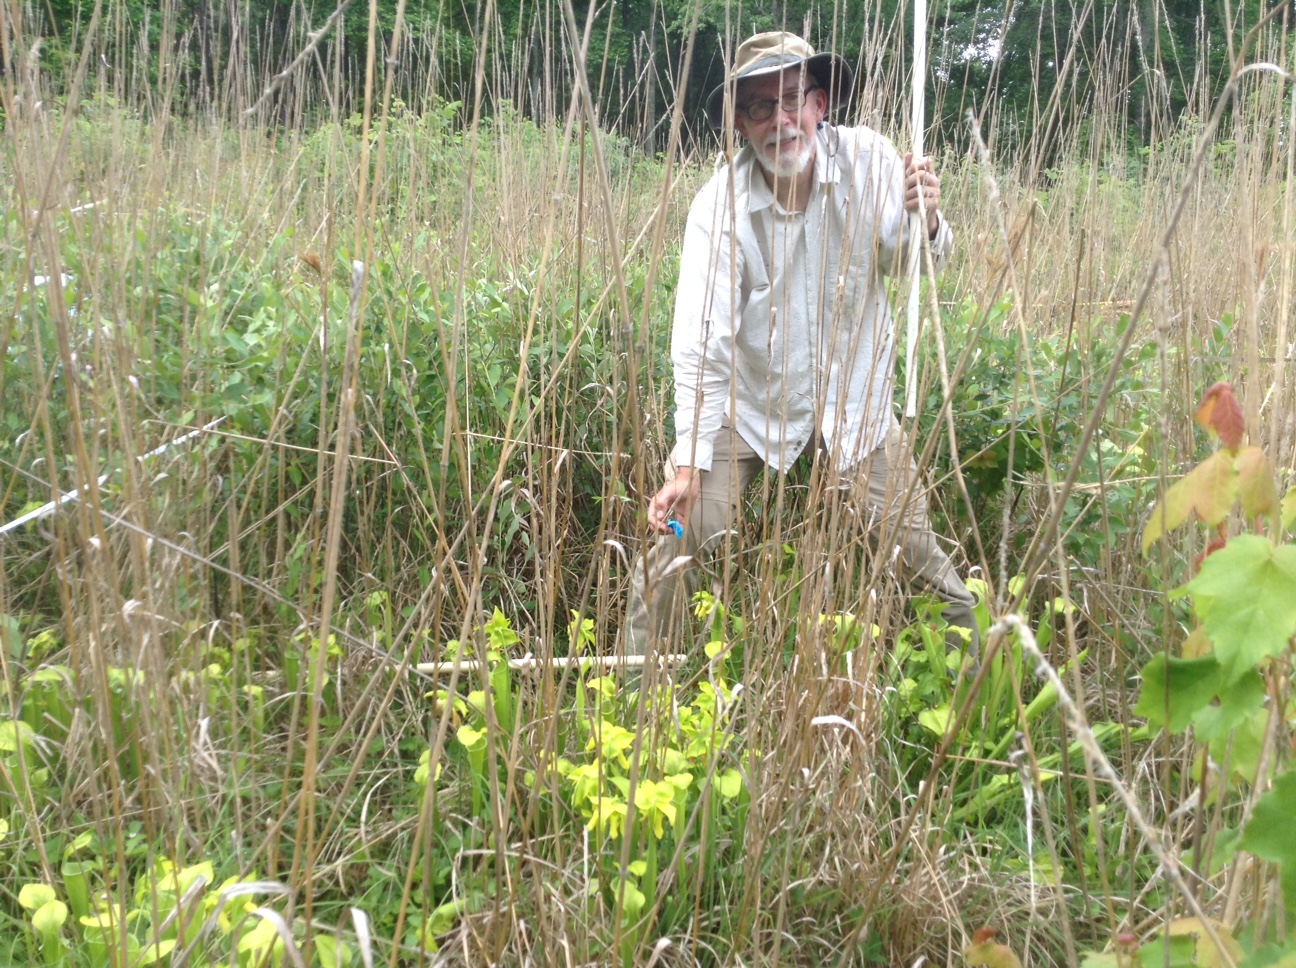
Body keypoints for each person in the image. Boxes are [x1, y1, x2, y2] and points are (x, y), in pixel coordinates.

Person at [623, 31, 979, 660]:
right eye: (760, 108)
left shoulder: (871, 161)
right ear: (740, 124)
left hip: (855, 404)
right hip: (751, 405)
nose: (780, 122)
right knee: (680, 540)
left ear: (819, 103)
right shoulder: (718, 209)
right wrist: (688, 465)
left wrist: (926, 218)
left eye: (792, 99)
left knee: (920, 555)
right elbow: (702, 344)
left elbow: (909, 261)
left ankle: (976, 681)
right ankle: (637, 689)